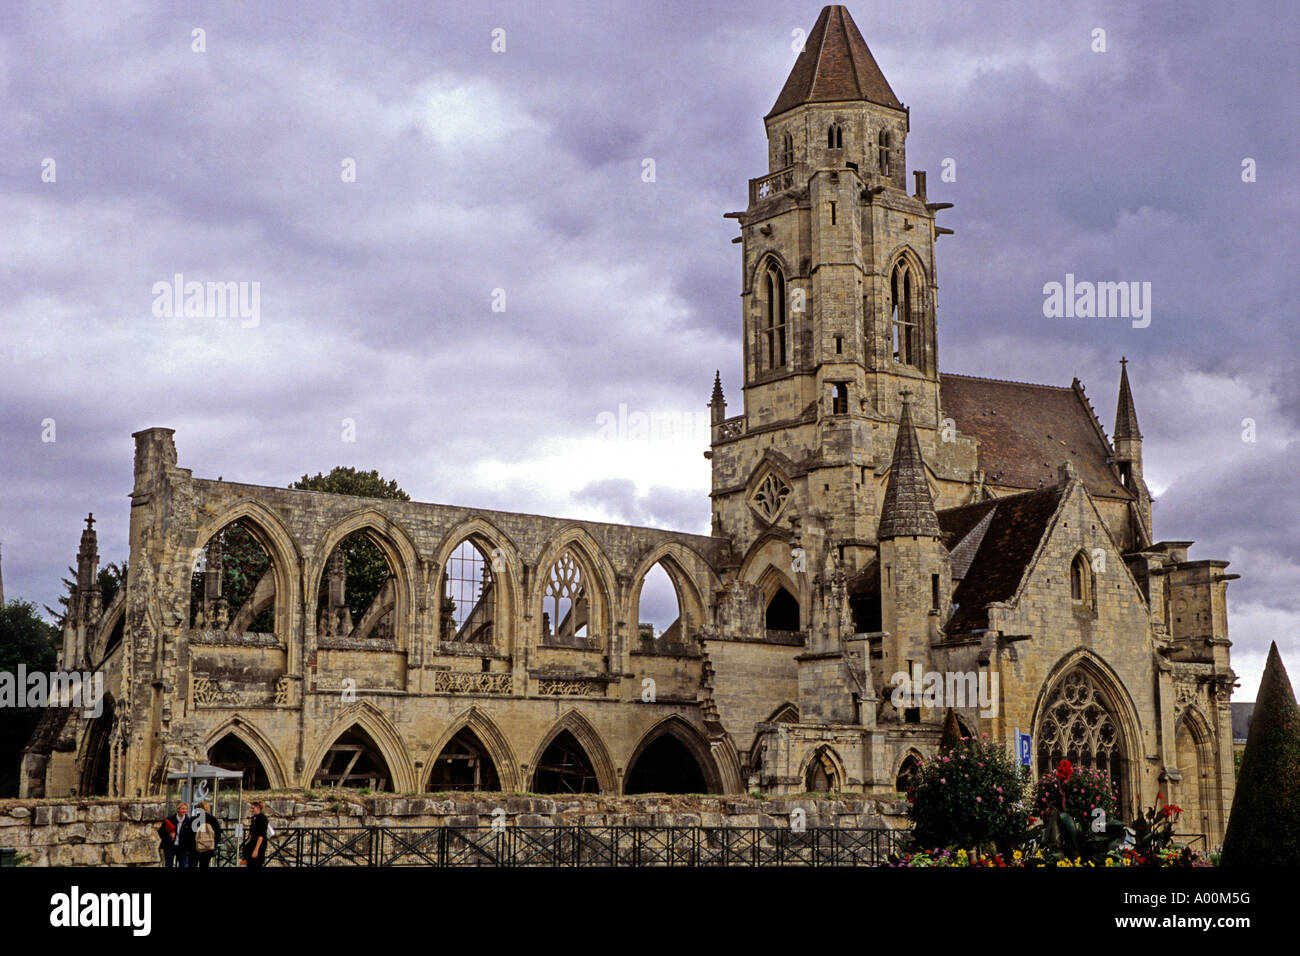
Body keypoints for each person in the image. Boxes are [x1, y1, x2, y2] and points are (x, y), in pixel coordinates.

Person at [158, 802, 193, 868]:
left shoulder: (189, 821)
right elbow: (160, 832)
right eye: (182, 809)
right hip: (170, 846)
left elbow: (190, 836)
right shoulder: (170, 819)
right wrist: (169, 834)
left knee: (183, 865)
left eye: (186, 809)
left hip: (182, 847)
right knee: (168, 864)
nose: (184, 811)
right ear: (178, 809)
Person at [191, 800, 222, 868]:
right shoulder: (213, 819)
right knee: (204, 865)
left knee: (192, 864)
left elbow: (188, 834)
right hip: (208, 848)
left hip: (194, 848)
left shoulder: (193, 819)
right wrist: (214, 846)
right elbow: (218, 833)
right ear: (207, 808)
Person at [241, 800, 269, 867]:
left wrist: (256, 849)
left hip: (259, 844)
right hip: (253, 843)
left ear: (258, 808)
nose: (251, 810)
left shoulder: (263, 818)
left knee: (256, 862)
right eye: (251, 808)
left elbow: (261, 835)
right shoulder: (254, 818)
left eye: (253, 808)